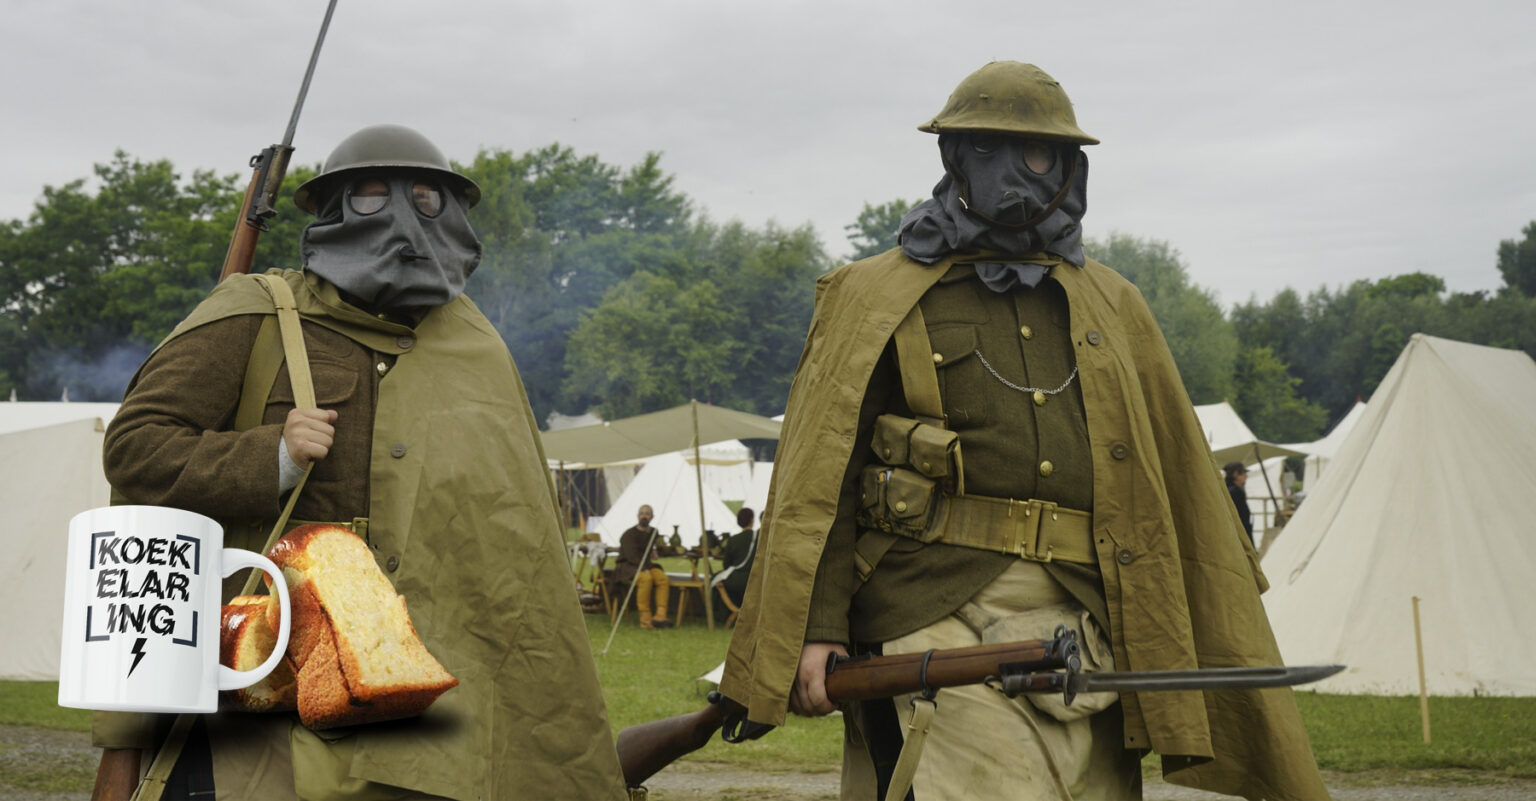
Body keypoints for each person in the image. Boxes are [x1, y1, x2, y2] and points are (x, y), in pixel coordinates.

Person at [718, 62, 1330, 800]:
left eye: (1040, 153)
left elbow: (1176, 483)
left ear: (1071, 168)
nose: (1020, 171)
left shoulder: (1113, 302)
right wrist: (819, 626)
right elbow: (822, 478)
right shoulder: (871, 294)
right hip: (925, 608)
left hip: (1089, 618)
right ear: (957, 158)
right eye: (993, 148)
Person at [93, 124, 627, 800]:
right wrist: (272, 456)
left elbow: (521, 549)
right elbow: (135, 449)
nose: (404, 218)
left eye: (427, 199)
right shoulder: (254, 312)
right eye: (371, 199)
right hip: (267, 703)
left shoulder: (478, 348)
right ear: (329, 212)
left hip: (432, 725)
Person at [615, 504, 673, 629]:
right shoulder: (628, 534)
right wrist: (643, 569)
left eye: (647, 514)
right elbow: (631, 556)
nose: (644, 516)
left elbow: (656, 548)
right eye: (641, 513)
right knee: (646, 579)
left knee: (662, 578)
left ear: (652, 517)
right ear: (637, 516)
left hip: (646, 565)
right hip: (628, 566)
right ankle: (645, 620)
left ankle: (660, 616)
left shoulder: (653, 532)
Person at [711, 507, 759, 611]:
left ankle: (722, 613)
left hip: (736, 581)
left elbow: (726, 566)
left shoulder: (733, 540)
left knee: (714, 579)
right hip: (756, 579)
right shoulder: (760, 537)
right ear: (752, 520)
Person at [1224, 461, 1255, 545]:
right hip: (1239, 534)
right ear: (1236, 474)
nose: (1246, 476)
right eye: (1244, 473)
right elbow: (1242, 516)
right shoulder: (1236, 492)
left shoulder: (1224, 490)